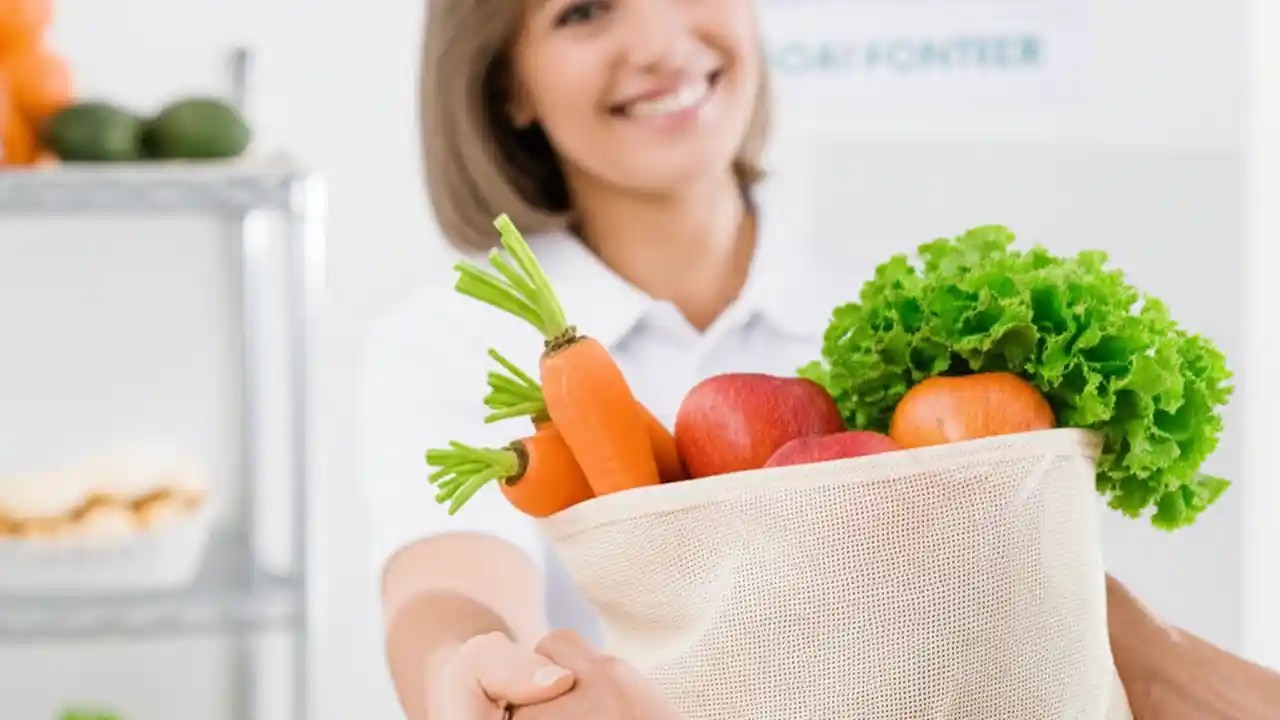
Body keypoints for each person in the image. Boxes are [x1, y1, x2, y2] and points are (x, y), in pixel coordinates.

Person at [360, 0, 1280, 717]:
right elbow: (451, 581)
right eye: (585, 10)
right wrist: (464, 668)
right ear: (507, 83)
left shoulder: (886, 334)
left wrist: (1151, 657)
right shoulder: (448, 341)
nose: (662, 40)